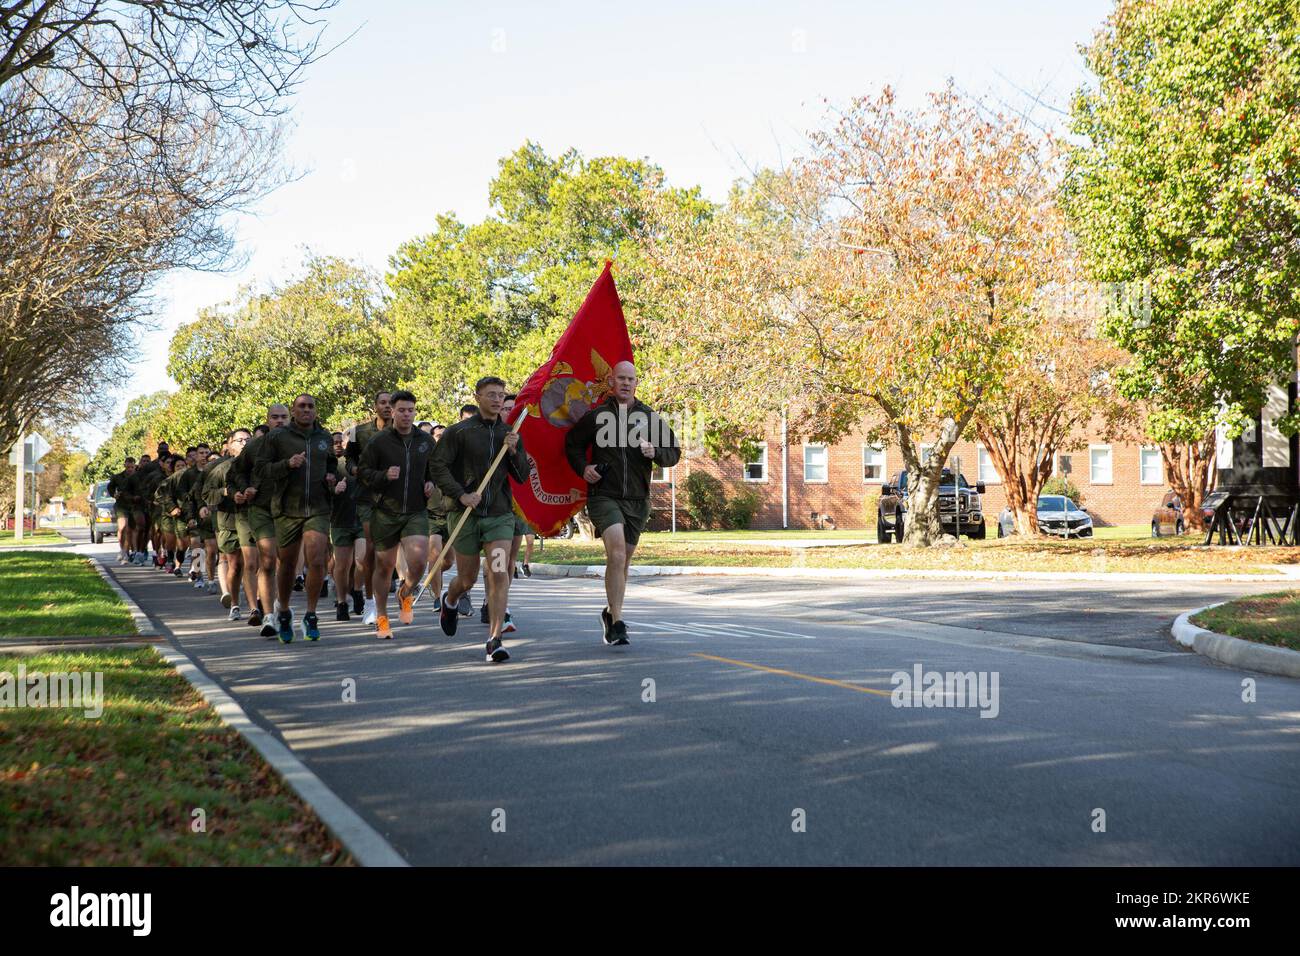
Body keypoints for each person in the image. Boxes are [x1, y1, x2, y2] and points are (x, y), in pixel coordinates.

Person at [565, 360, 680, 646]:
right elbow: (572, 444)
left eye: (631, 379)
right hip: (605, 495)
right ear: (611, 382)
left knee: (624, 561)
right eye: (621, 378)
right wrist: (583, 468)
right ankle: (617, 623)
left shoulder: (649, 417)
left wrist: (656, 451)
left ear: (636, 383)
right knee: (616, 555)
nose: (626, 383)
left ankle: (609, 611)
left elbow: (674, 452)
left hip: (638, 500)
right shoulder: (597, 416)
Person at [431, 377, 530, 663]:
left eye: (501, 395)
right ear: (478, 398)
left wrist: (514, 451)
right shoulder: (458, 432)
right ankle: (450, 602)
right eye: (491, 395)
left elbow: (522, 475)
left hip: (498, 516)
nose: (498, 400)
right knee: (467, 578)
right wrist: (461, 495)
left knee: (499, 573)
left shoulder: (510, 432)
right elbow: (438, 466)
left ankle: (494, 639)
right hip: (465, 515)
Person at [256, 393, 337, 643]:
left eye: (311, 406)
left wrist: (331, 478)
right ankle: (284, 611)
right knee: (288, 565)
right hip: (286, 509)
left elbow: (331, 464)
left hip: (318, 508)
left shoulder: (324, 437)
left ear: (315, 411)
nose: (306, 410)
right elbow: (261, 470)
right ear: (294, 411)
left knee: (316, 559)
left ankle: (311, 615)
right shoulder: (277, 437)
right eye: (301, 406)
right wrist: (287, 465)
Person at [358, 390, 437, 640]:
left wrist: (431, 482)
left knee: (419, 561)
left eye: (410, 410)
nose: (406, 414)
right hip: (385, 511)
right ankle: (382, 617)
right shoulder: (379, 442)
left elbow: (435, 469)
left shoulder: (425, 441)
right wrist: (383, 476)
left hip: (415, 510)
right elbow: (362, 472)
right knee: (384, 566)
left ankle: (405, 591)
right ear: (392, 412)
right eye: (401, 410)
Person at [231, 407, 290, 637]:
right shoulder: (255, 446)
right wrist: (243, 488)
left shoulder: (300, 442)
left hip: (291, 510)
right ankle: (268, 616)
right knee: (266, 560)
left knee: (285, 563)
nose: (279, 421)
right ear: (268, 421)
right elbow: (236, 472)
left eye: (284, 417)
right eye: (274, 417)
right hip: (261, 509)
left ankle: (280, 607)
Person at [346, 390, 393, 626]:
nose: (387, 407)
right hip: (368, 497)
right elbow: (349, 459)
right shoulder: (358, 432)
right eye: (383, 403)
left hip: (398, 499)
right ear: (375, 406)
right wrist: (354, 470)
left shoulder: (405, 431)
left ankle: (403, 589)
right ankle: (370, 602)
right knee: (371, 550)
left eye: (390, 403)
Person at [203, 430, 254, 620]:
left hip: (253, 520)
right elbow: (207, 494)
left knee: (253, 564)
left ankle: (255, 606)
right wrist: (226, 492)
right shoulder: (219, 468)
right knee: (236, 565)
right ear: (230, 445)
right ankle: (234, 603)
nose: (244, 443)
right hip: (229, 521)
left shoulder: (257, 465)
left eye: (248, 440)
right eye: (239, 440)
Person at [329, 430, 365, 621]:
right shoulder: (331, 464)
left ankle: (358, 590)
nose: (339, 444)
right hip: (340, 520)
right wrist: (333, 489)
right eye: (336, 441)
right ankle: (342, 601)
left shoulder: (363, 463)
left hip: (362, 519)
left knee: (361, 560)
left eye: (343, 441)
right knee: (341, 566)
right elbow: (321, 489)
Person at [107, 457, 136, 564]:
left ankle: (126, 551)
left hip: (134, 506)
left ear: (135, 466)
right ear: (124, 466)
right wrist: (114, 494)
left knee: (129, 530)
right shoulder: (117, 477)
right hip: (121, 505)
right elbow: (110, 487)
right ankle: (122, 549)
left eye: (132, 467)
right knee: (122, 527)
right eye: (128, 467)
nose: (130, 469)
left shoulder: (138, 477)